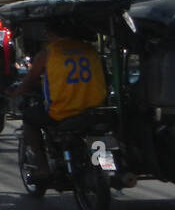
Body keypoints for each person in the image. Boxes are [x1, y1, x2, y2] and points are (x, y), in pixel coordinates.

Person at [6, 18, 107, 176]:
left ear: (51, 33)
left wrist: (15, 92)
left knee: (29, 118)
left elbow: (30, 80)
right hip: (95, 109)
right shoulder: (89, 49)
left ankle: (43, 167)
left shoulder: (48, 53)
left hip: (62, 111)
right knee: (101, 139)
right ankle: (107, 166)